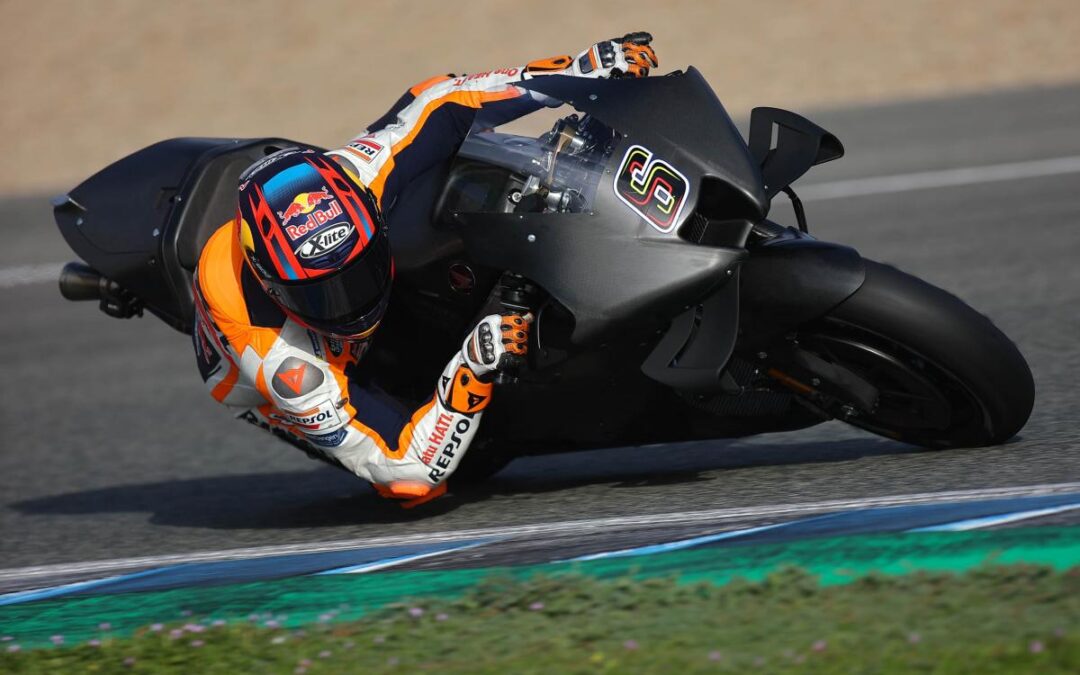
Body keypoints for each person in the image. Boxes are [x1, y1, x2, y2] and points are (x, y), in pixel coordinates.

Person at [191, 34, 659, 508]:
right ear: (275, 290)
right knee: (421, 492)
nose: (351, 301)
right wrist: (470, 368)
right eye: (322, 295)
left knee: (446, 171)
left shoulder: (357, 176)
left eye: (357, 275)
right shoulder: (284, 362)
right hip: (257, 369)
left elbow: (445, 100)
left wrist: (571, 73)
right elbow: (408, 471)